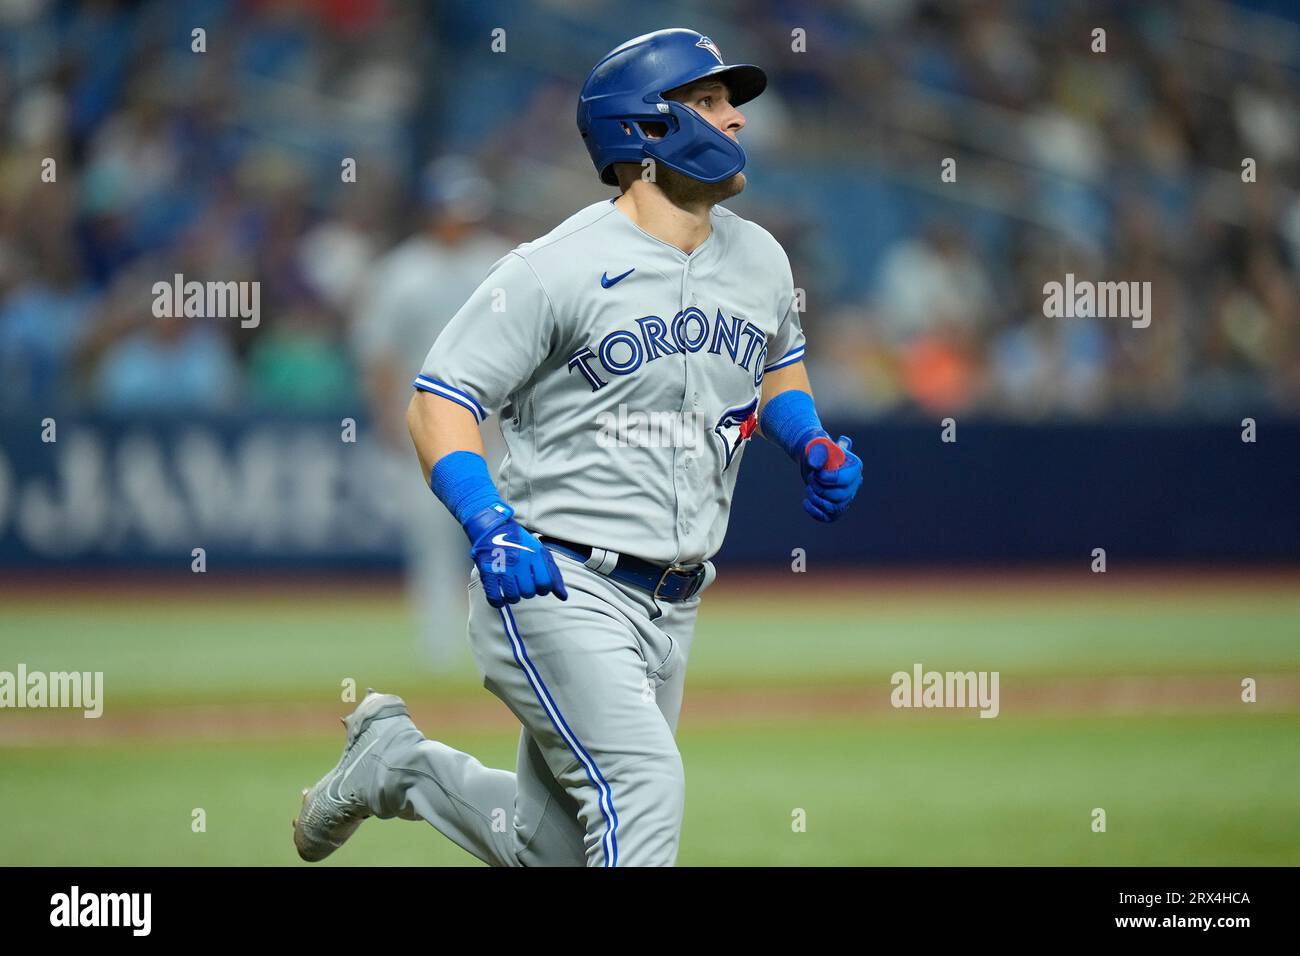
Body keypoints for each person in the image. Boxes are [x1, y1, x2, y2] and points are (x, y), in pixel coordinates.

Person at [294, 28, 863, 867]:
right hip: (558, 579)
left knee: (550, 848)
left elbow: (778, 366)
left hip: (676, 597)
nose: (737, 119)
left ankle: (399, 766)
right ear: (645, 130)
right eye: (709, 101)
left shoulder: (762, 257)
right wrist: (489, 523)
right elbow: (438, 403)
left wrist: (808, 439)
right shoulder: (552, 268)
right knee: (643, 785)